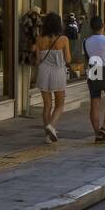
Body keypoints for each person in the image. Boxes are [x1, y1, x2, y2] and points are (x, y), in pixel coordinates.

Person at [33, 12, 70, 142]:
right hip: (58, 71)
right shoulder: (63, 39)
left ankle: (48, 136)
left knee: (47, 105)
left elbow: (37, 61)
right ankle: (51, 126)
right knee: (60, 104)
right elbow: (68, 59)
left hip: (43, 72)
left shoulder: (39, 39)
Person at [82, 15, 105, 143]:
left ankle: (97, 132)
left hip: (93, 70)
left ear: (91, 27)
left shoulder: (86, 41)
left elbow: (86, 60)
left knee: (94, 103)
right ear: (103, 26)